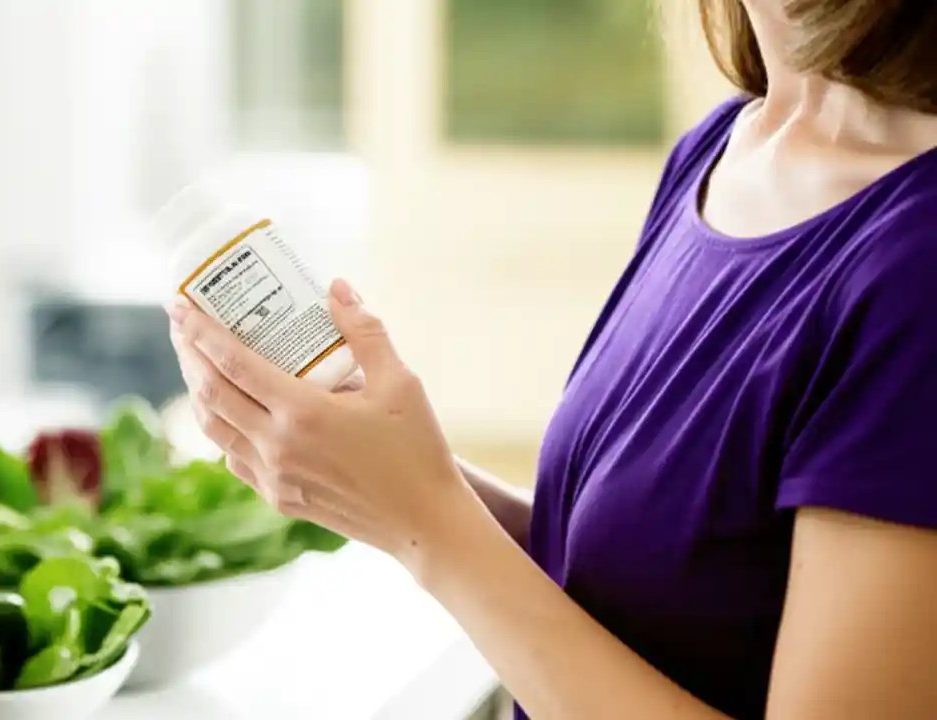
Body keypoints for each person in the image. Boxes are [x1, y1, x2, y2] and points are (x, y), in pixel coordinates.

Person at [166, 0, 937, 717]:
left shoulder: (917, 265)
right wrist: (384, 469)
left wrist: (425, 522)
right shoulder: (723, 150)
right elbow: (644, 583)